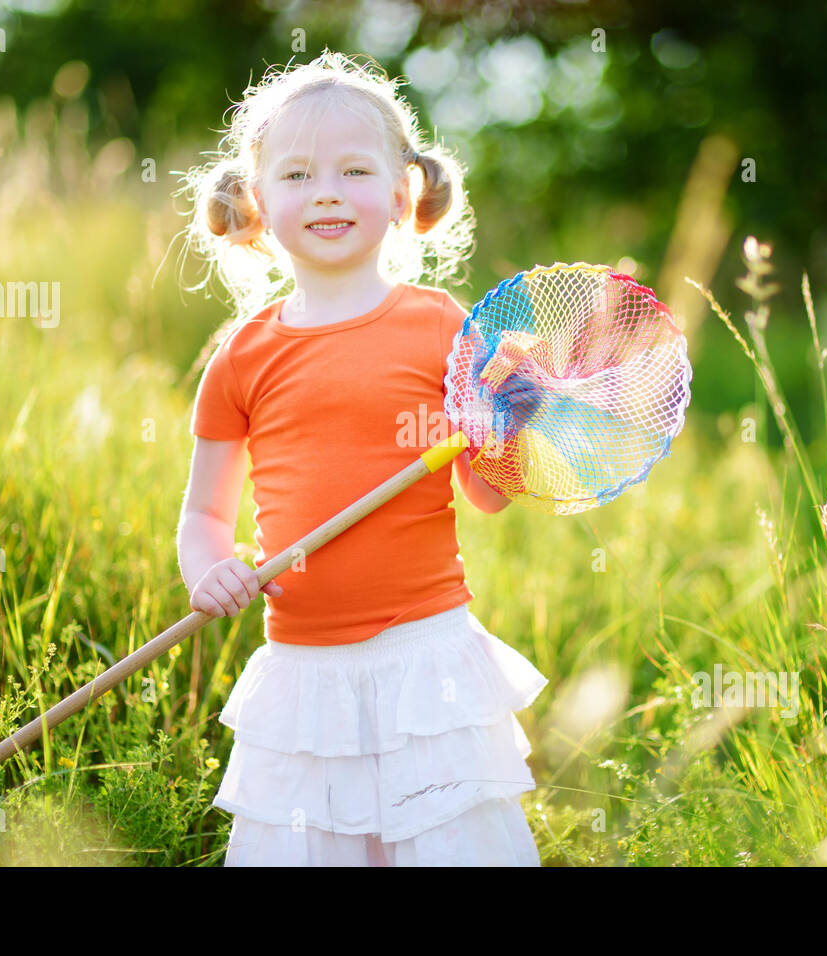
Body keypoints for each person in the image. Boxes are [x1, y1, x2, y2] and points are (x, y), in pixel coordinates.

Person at [175, 50, 548, 866]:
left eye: (354, 169)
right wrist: (209, 569)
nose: (329, 192)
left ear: (403, 192)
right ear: (256, 203)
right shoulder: (241, 356)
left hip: (427, 658)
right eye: (299, 175)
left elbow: (485, 494)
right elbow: (204, 513)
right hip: (304, 670)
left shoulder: (444, 326)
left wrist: (507, 425)